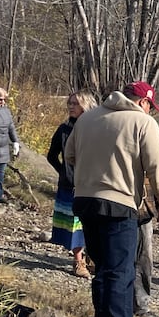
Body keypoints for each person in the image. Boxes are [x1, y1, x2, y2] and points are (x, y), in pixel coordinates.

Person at [64, 80, 159, 317]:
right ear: (143, 102)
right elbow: (157, 167)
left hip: (86, 200)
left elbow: (69, 155)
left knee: (101, 268)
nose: (150, 110)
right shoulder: (143, 122)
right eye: (150, 106)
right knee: (121, 272)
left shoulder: (87, 118)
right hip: (119, 203)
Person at [46, 90, 97, 278]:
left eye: (75, 103)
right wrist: (64, 172)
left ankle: (92, 258)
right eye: (70, 103)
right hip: (70, 185)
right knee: (75, 224)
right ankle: (78, 261)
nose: (71, 107)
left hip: (94, 184)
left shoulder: (97, 128)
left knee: (94, 223)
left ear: (86, 105)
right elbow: (52, 155)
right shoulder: (64, 129)